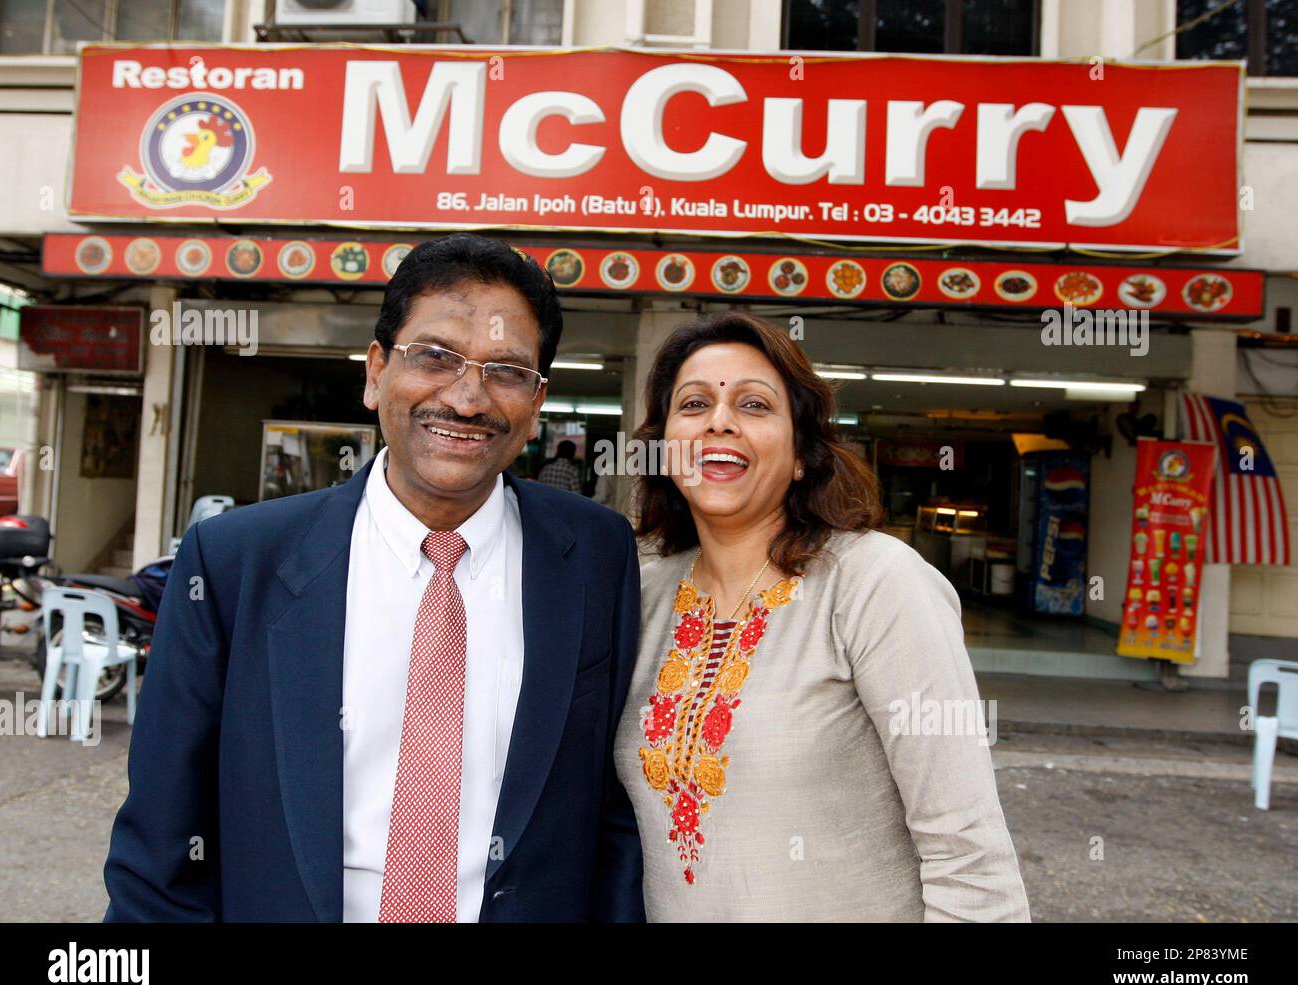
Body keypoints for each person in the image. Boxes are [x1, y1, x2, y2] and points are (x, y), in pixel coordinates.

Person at [104, 234, 645, 923]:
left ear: (537, 400)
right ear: (375, 371)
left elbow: (610, 811)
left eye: (505, 371)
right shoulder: (236, 561)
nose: (468, 398)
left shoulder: (595, 553)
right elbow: (160, 844)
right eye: (435, 358)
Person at [614, 311, 1030, 921]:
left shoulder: (875, 584)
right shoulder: (643, 590)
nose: (719, 422)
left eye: (754, 406)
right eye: (694, 404)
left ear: (803, 453)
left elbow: (967, 854)